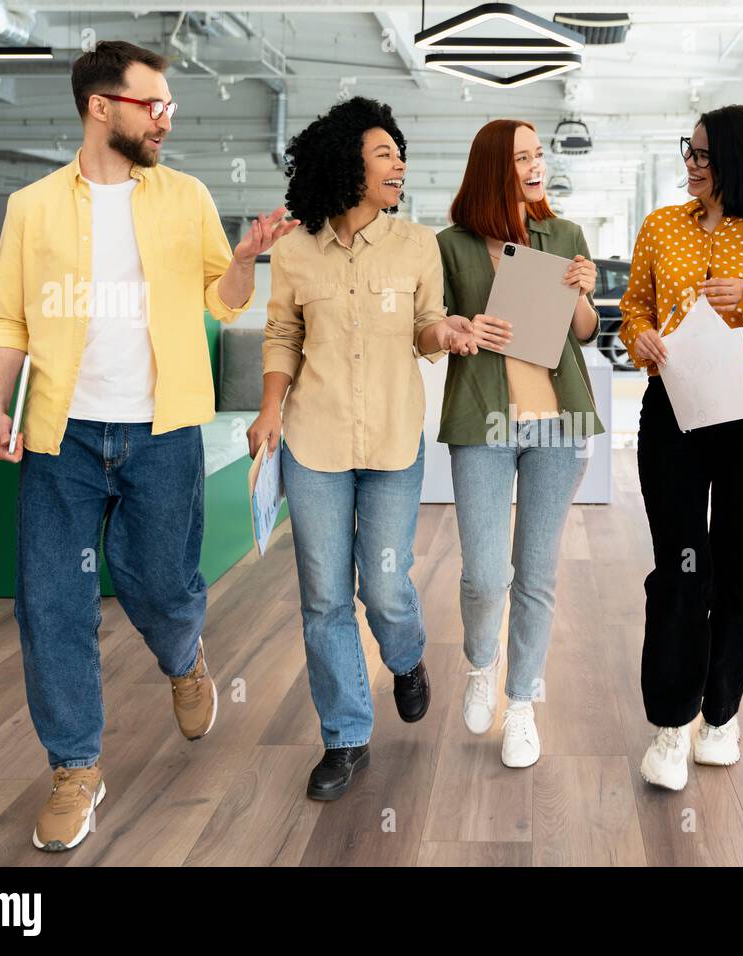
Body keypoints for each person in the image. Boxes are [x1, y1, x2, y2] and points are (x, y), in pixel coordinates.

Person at [0, 40, 297, 851]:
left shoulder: (184, 195)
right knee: (52, 600)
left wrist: (243, 262)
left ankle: (184, 655)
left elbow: (219, 302)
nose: (166, 119)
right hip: (61, 435)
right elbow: (8, 319)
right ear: (101, 107)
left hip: (163, 429)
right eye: (152, 104)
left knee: (160, 581)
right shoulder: (33, 206)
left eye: (169, 106)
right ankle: (75, 766)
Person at [249, 98, 474, 801]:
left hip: (391, 440)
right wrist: (268, 408)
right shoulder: (291, 251)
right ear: (345, 162)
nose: (398, 164)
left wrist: (448, 334)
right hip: (313, 442)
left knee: (382, 584)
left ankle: (406, 657)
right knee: (323, 597)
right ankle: (345, 738)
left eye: (398, 153)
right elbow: (283, 333)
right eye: (384, 153)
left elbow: (426, 326)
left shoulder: (418, 246)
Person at [619, 106, 743, 791]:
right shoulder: (661, 227)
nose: (691, 163)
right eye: (690, 150)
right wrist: (638, 337)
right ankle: (671, 725)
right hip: (674, 409)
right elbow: (633, 309)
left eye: (704, 153)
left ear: (737, 159)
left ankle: (721, 715)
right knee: (680, 568)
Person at [437, 119, 605, 768]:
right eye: (521, 158)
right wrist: (459, 329)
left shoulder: (563, 234)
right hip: (483, 421)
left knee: (536, 573)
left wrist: (583, 292)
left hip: (556, 425)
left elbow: (583, 333)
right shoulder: (451, 245)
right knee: (485, 575)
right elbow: (434, 324)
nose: (536, 166)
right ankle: (481, 664)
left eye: (539, 155)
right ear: (491, 169)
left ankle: (523, 706)